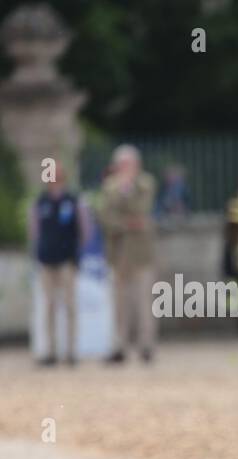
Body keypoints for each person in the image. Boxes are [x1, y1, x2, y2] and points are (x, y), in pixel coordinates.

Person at [98, 144, 158, 363]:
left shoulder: (146, 183)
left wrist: (128, 191)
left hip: (141, 254)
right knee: (119, 304)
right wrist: (127, 222)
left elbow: (142, 211)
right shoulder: (110, 186)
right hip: (118, 254)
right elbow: (106, 218)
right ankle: (119, 346)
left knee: (143, 302)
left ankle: (146, 346)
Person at [27, 162, 91, 366]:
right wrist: (36, 252)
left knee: (70, 305)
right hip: (46, 259)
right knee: (49, 307)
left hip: (67, 260)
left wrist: (76, 251)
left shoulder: (73, 200)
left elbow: (85, 229)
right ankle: (50, 351)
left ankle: (71, 352)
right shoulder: (41, 201)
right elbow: (34, 231)